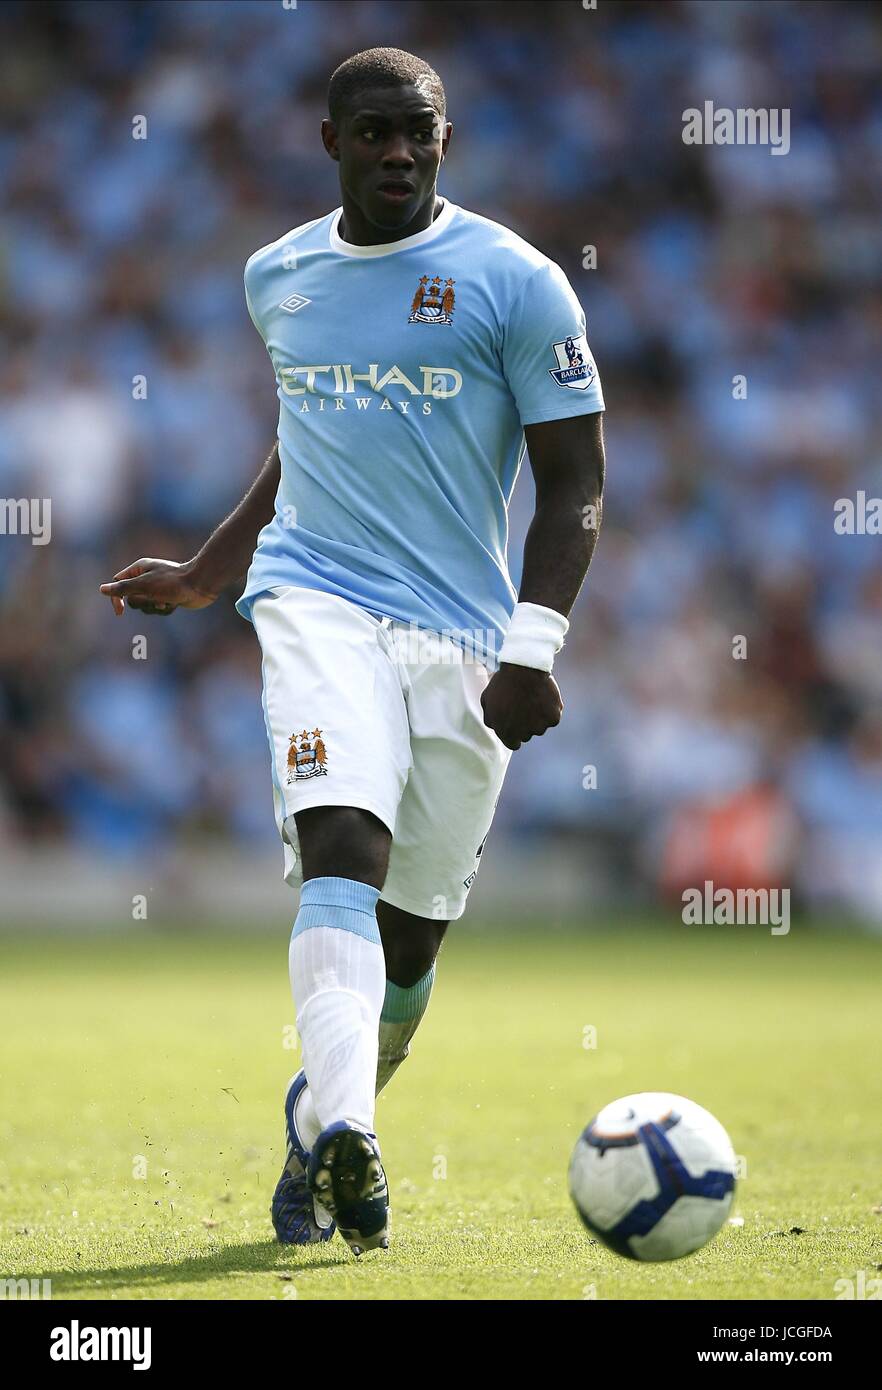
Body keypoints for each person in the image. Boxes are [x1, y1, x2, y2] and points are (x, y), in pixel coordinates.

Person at [100, 46, 606, 1257]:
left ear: (446, 138)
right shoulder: (280, 274)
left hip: (464, 639)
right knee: (342, 836)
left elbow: (577, 481)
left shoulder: (517, 282)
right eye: (373, 132)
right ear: (329, 141)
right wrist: (218, 573)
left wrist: (533, 646)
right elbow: (306, 435)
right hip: (314, 597)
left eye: (418, 132)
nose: (397, 152)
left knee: (410, 946)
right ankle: (358, 1137)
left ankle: (324, 1113)